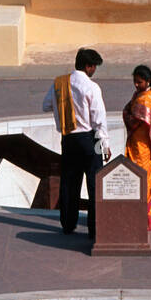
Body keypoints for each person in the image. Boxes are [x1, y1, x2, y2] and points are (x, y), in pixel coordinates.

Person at [43, 47, 111, 245]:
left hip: (69, 139)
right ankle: (94, 227)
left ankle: (67, 223)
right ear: (88, 66)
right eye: (94, 67)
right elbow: (99, 120)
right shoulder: (91, 87)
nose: (94, 71)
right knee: (94, 183)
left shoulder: (59, 83)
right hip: (90, 139)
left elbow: (46, 105)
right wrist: (105, 145)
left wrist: (62, 109)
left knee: (69, 182)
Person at [123, 64, 151, 231]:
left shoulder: (147, 99)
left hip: (142, 147)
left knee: (141, 180)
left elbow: (132, 118)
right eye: (134, 81)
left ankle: (144, 217)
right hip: (136, 143)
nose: (136, 85)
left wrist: (127, 114)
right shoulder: (142, 95)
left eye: (139, 82)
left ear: (147, 81)